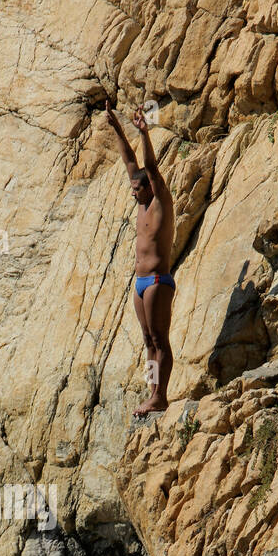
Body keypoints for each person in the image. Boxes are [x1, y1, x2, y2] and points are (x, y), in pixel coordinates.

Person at [106, 99, 176, 414]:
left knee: (160, 339)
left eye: (137, 188)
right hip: (140, 282)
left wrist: (145, 134)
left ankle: (161, 396)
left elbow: (149, 166)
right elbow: (128, 159)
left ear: (149, 187)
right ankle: (152, 392)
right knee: (147, 341)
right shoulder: (140, 199)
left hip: (159, 280)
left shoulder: (159, 197)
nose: (132, 192)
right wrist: (117, 126)